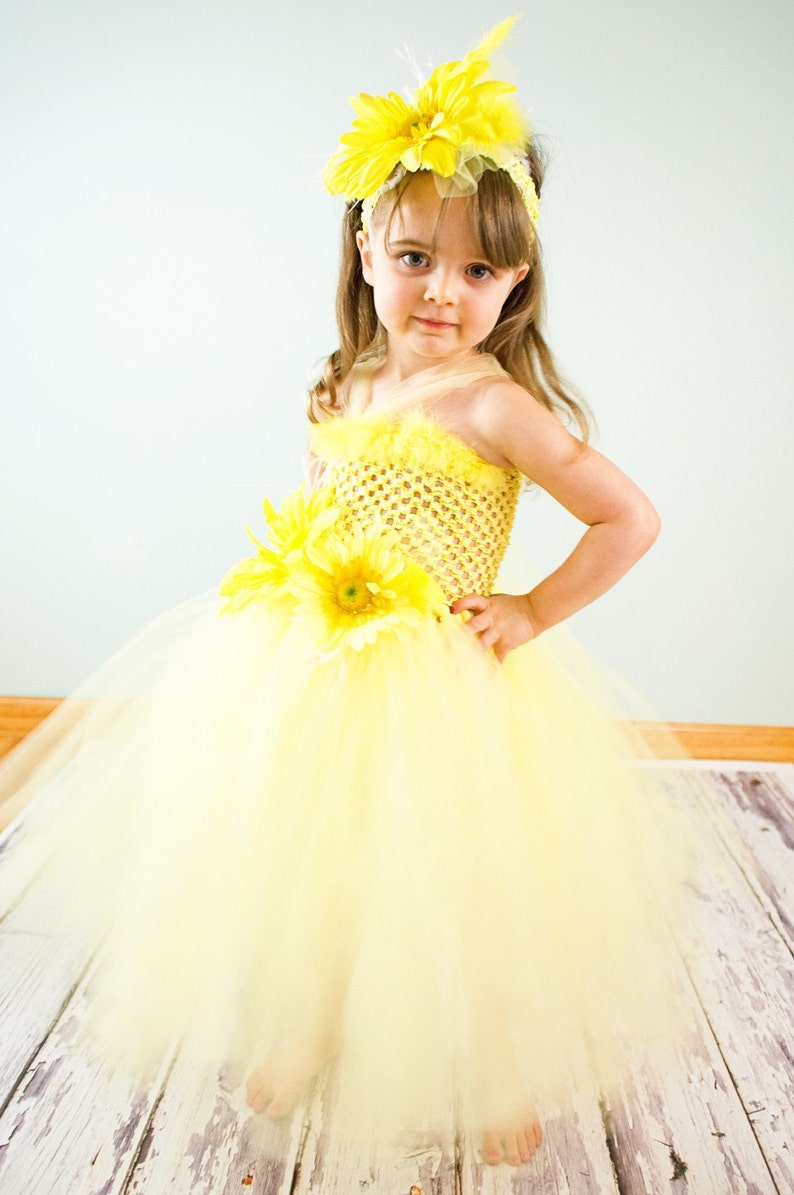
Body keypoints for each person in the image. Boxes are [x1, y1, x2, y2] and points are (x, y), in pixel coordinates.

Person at [0, 18, 701, 1170]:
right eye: (415, 257)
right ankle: (317, 1021)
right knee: (319, 866)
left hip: (439, 685)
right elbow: (323, 506)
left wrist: (528, 612)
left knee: (460, 880)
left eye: (476, 271)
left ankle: (494, 1059)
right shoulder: (344, 383)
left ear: (515, 281)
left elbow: (629, 517)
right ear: (364, 250)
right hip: (321, 664)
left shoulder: (493, 406)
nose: (441, 292)